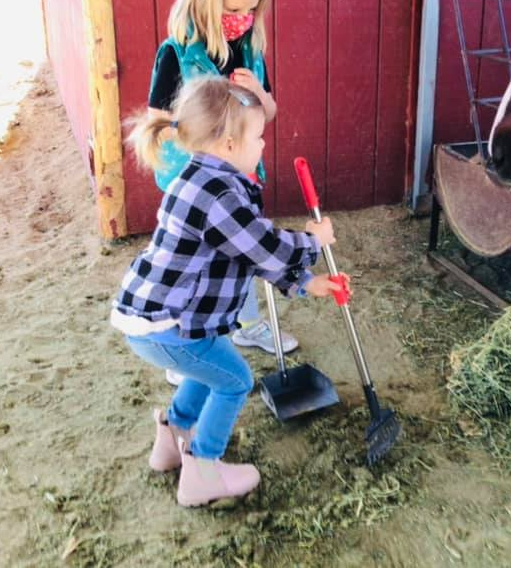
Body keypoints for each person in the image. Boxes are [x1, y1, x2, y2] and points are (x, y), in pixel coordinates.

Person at [111, 75, 343, 506]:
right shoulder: (218, 195)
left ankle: (171, 440)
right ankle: (203, 470)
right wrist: (314, 241)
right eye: (257, 136)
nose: (262, 145)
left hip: (158, 316)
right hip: (169, 323)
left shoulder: (201, 177)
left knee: (209, 367)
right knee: (235, 380)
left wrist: (307, 282)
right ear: (229, 145)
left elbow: (246, 255)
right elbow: (266, 246)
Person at [147, 0, 295, 383]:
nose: (242, 22)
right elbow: (159, 121)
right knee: (198, 263)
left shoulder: (250, 50)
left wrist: (260, 94)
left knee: (239, 254)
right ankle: (189, 344)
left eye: (250, 12)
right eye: (234, 12)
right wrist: (207, 127)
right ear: (204, 4)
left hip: (239, 179)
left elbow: (267, 113)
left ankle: (248, 326)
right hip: (193, 185)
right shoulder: (176, 54)